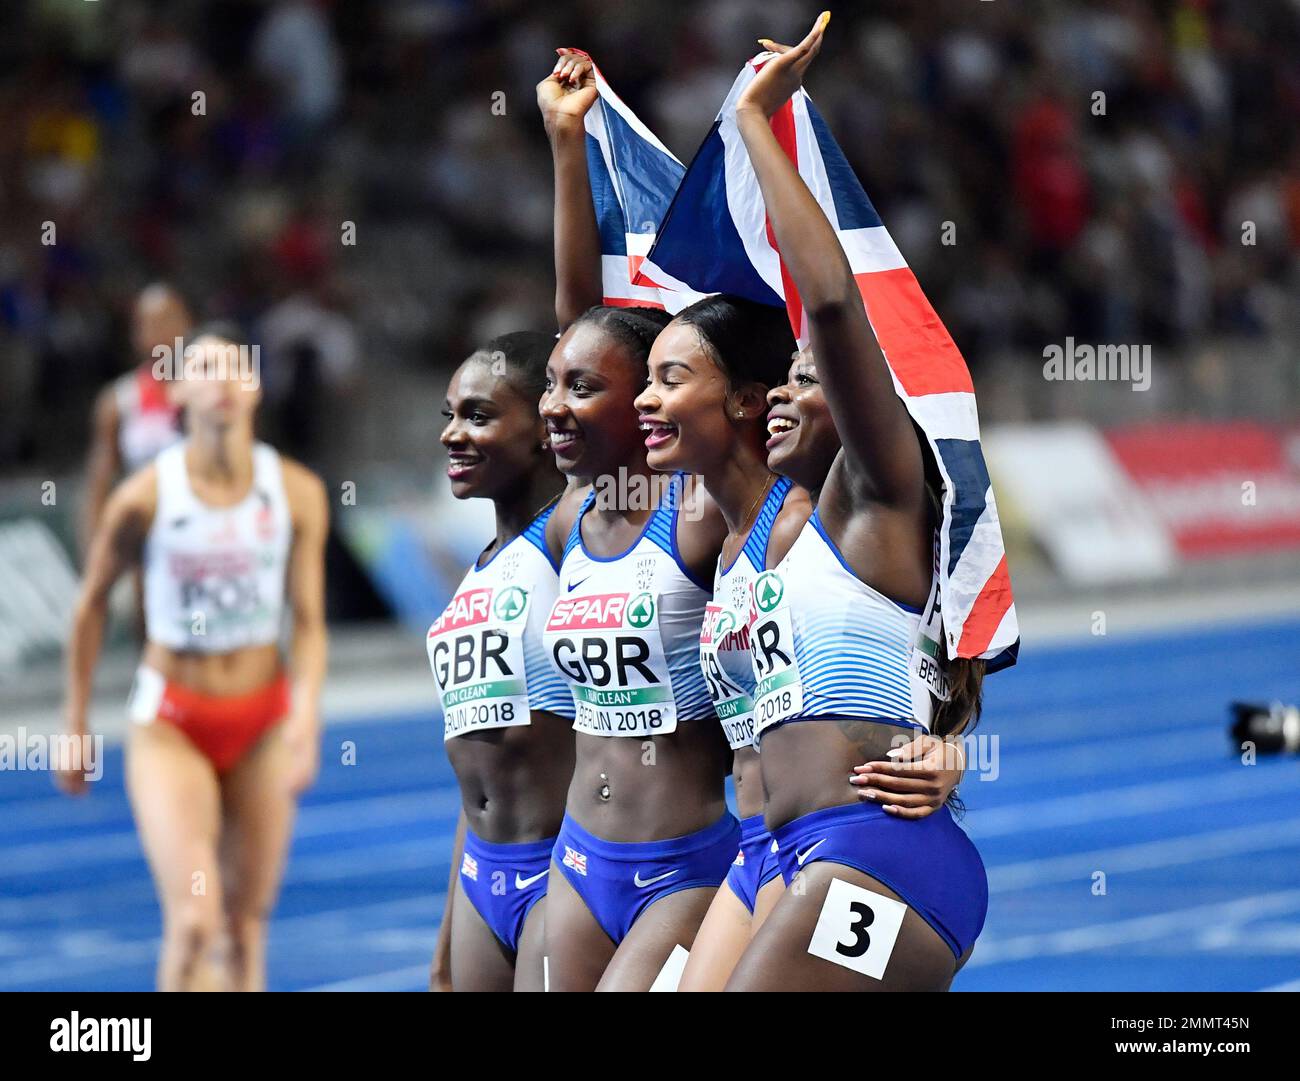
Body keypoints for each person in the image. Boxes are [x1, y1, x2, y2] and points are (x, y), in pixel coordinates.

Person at [724, 16, 989, 992]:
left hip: (881, 863)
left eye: (810, 379)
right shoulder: (755, 524)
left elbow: (832, 305)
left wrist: (757, 118)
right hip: (769, 856)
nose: (786, 394)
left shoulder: (880, 496)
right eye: (778, 380)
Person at [60, 326, 328, 992]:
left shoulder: (295, 491)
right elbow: (90, 604)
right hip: (172, 721)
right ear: (177, 391)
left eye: (235, 366)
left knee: (245, 926)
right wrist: (75, 721)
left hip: (263, 716)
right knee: (196, 921)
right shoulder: (144, 497)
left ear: (255, 386)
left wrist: (306, 716)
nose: (221, 380)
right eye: (203, 368)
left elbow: (309, 620)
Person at [426, 331, 573, 992]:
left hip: (566, 867)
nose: (452, 435)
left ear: (546, 426)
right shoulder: (477, 571)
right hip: (482, 876)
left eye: (478, 416)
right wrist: (446, 939)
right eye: (450, 416)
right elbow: (478, 765)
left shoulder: (581, 537)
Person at [81, 283, 192, 553]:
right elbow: (99, 485)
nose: (161, 333)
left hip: (199, 539)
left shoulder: (211, 394)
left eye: (168, 320)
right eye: (149, 324)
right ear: (136, 333)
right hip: (142, 541)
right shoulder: (119, 401)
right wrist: (95, 558)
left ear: (188, 325)